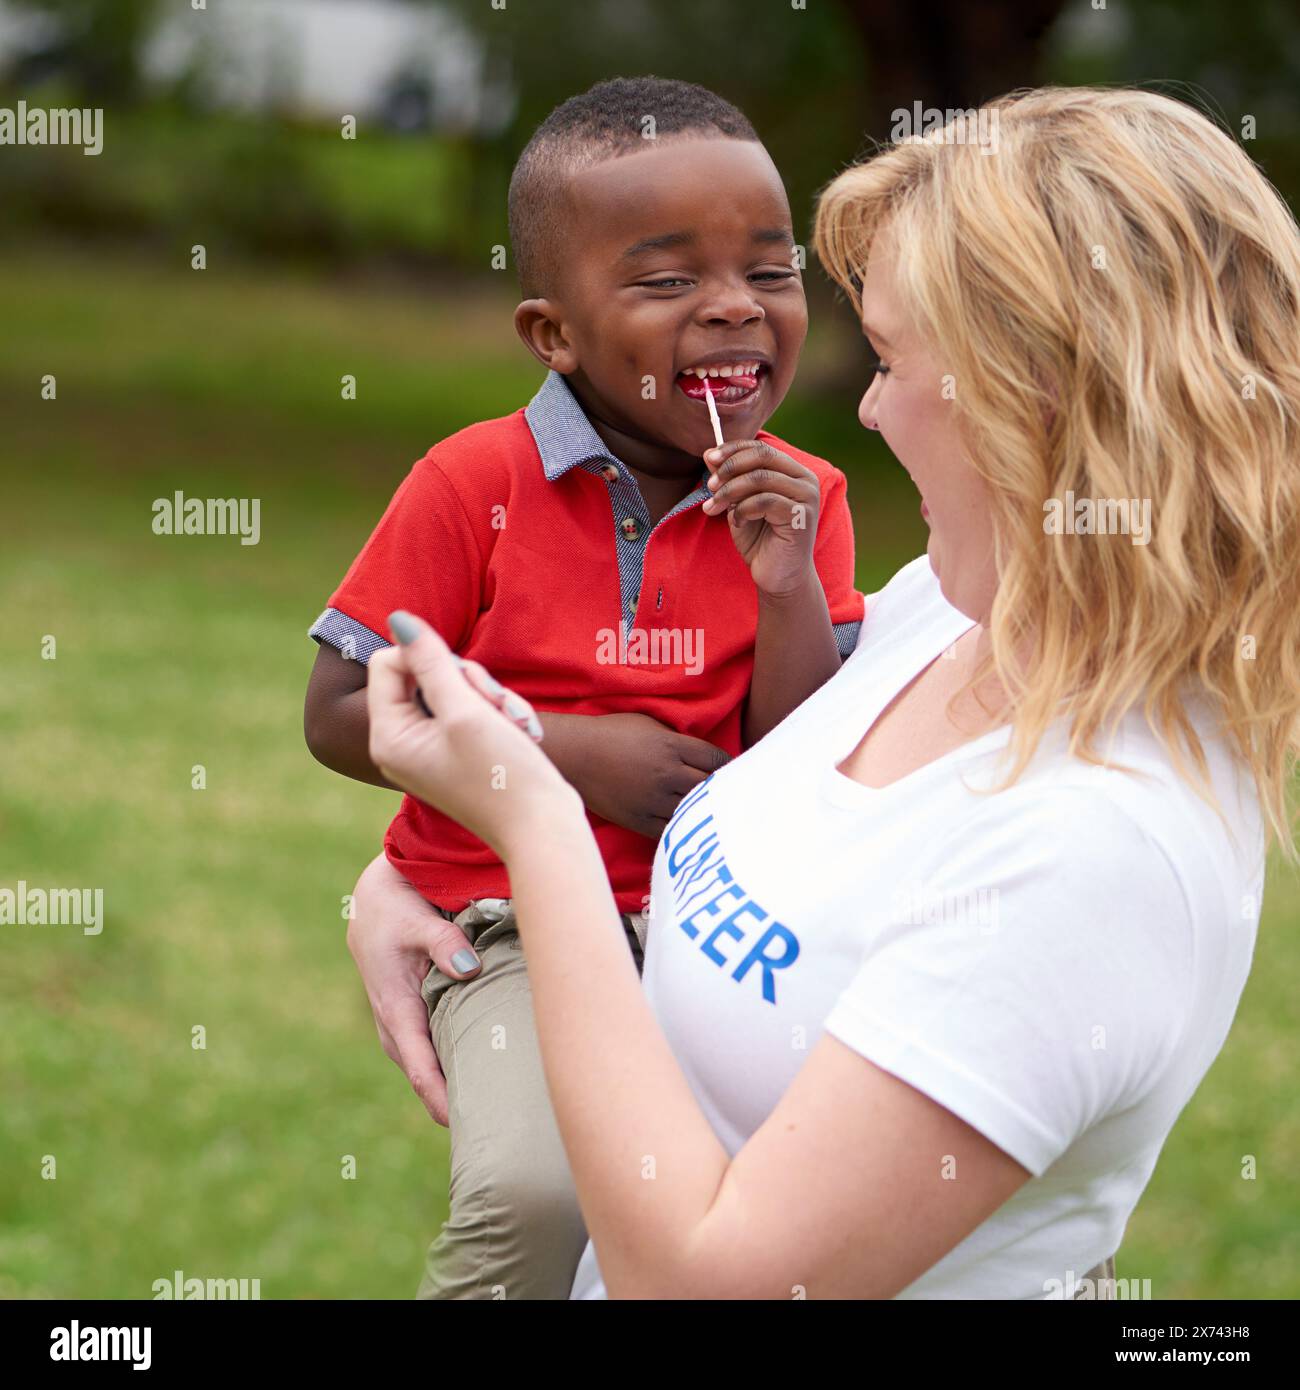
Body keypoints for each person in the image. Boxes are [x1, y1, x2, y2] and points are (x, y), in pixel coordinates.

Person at [357, 85, 1300, 1298]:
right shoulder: (944, 617)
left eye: (896, 358)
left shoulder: (1094, 845)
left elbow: (707, 1283)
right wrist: (410, 870)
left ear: (1033, 400)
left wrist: (530, 824)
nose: (861, 404)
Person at [302, 76, 865, 1299]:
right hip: (497, 923)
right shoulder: (471, 483)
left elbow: (800, 760)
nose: (733, 310)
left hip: (718, 928)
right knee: (540, 1196)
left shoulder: (805, 500)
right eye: (667, 282)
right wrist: (564, 754)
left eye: (770, 272)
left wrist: (784, 592)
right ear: (552, 334)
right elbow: (341, 710)